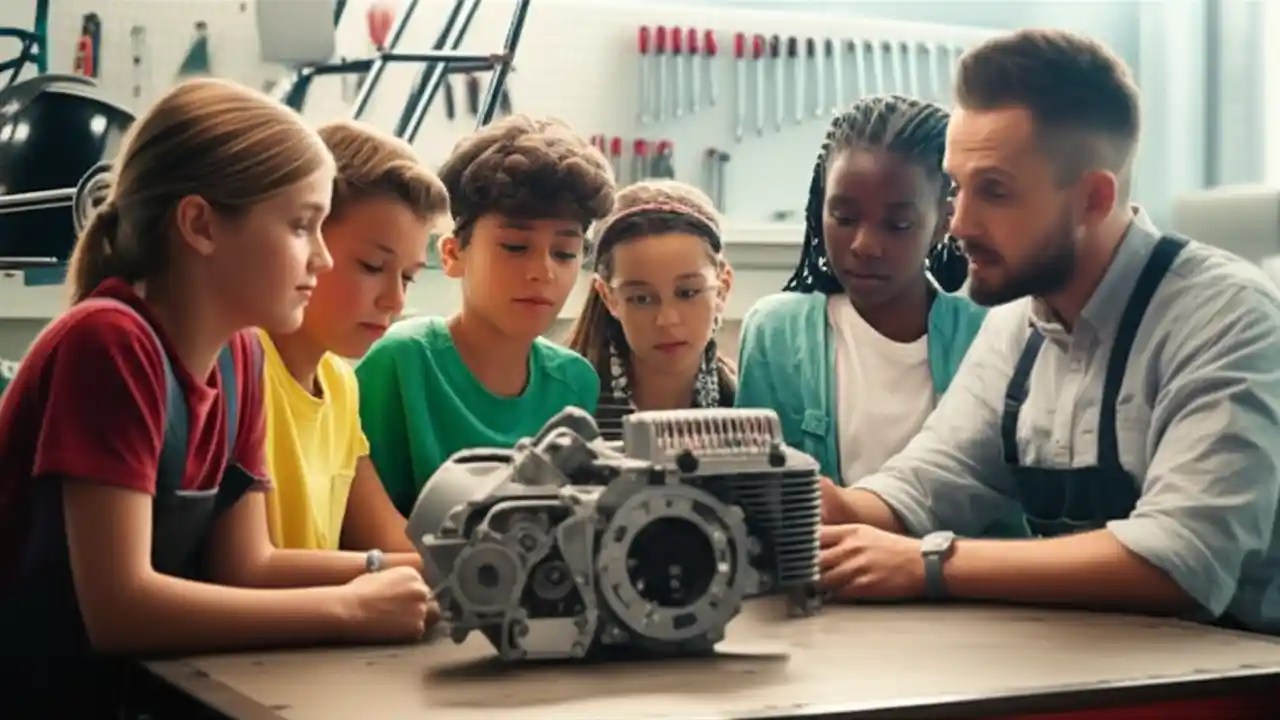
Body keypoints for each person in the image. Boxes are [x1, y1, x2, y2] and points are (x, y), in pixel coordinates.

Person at [819, 28, 1280, 635]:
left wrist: (930, 563)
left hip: (1237, 681)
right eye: (957, 188)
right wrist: (830, 506)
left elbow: (1180, 560)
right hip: (1096, 669)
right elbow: (930, 483)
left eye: (996, 191)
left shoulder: (1229, 317)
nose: (958, 223)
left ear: (1093, 198)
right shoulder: (1016, 325)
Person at [0, 79, 431, 713]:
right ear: (200, 224)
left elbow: (248, 565)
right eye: (301, 226)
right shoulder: (110, 343)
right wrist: (347, 607)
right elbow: (120, 609)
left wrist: (407, 573)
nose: (322, 258)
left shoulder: (240, 356)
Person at [356, 115, 614, 515]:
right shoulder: (401, 363)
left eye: (564, 253)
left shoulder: (575, 383)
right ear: (453, 253)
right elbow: (359, 531)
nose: (543, 271)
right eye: (514, 246)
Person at [735, 95, 988, 487]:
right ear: (820, 207)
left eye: (899, 224)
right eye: (844, 217)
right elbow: (757, 494)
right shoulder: (776, 333)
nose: (865, 244)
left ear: (943, 221)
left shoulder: (989, 335)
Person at [258, 120, 449, 557]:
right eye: (370, 266)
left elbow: (390, 540)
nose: (394, 300)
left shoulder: (340, 384)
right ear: (305, 237)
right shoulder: (240, 365)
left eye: (408, 277)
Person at [564, 180, 735, 437]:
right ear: (609, 297)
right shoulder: (564, 407)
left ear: (722, 287)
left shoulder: (748, 404)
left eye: (687, 293)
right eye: (641, 299)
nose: (667, 320)